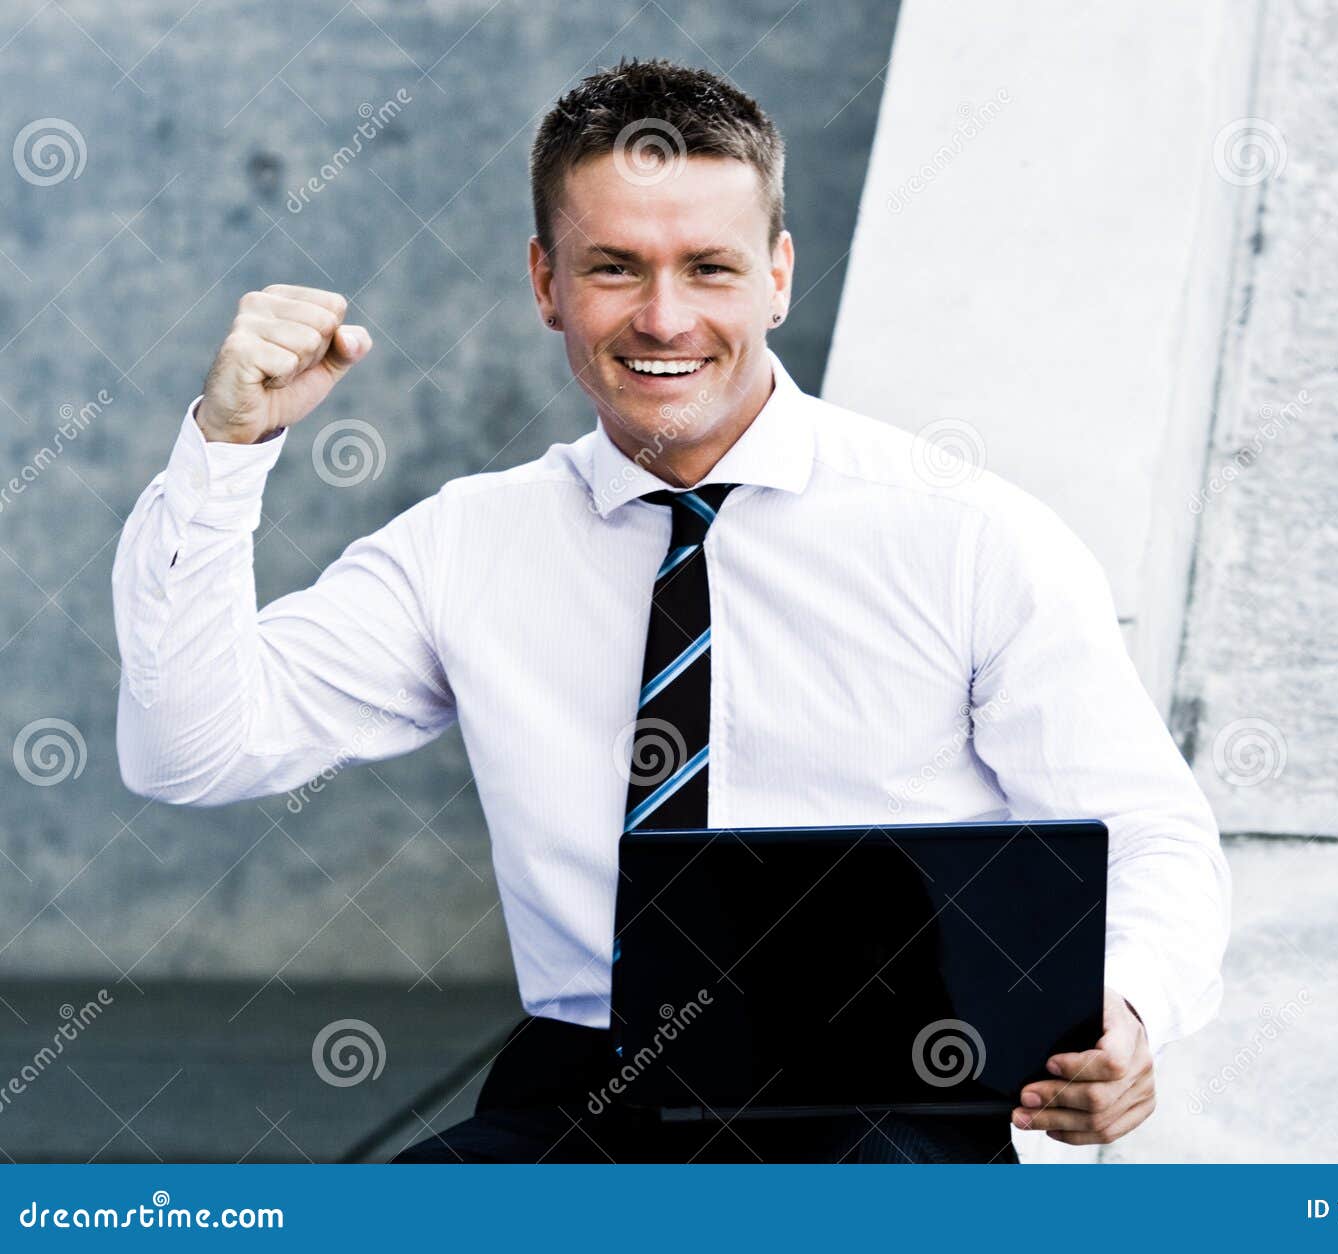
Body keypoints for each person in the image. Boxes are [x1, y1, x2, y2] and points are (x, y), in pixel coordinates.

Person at [112, 58, 1230, 1163]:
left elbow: (1152, 837)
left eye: (708, 268)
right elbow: (192, 753)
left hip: (898, 1090)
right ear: (546, 282)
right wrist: (227, 453)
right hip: (588, 1089)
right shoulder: (466, 545)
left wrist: (1128, 1010)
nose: (663, 317)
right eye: (614, 268)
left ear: (777, 277)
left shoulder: (971, 534)